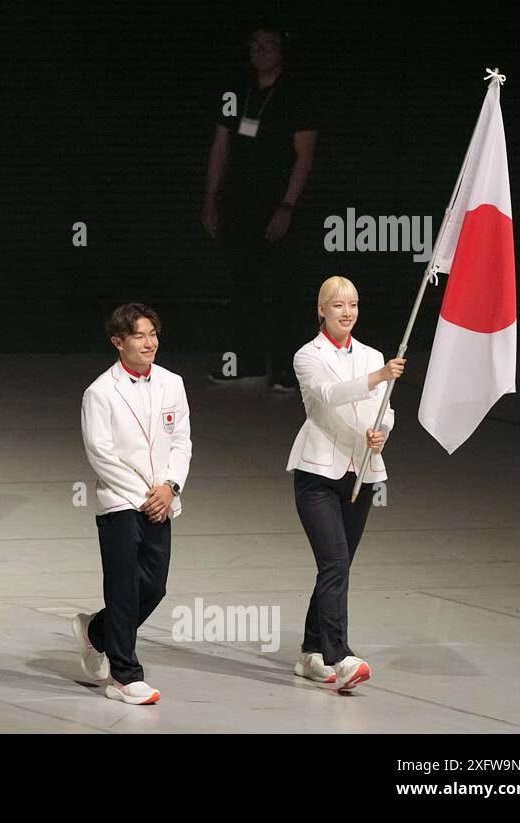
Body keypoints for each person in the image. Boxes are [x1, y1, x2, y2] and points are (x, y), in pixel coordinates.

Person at [287, 276, 405, 691]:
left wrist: (381, 431)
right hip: (318, 474)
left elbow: (385, 409)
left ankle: (311, 652)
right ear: (321, 309)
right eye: (337, 305)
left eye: (353, 304)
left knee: (336, 567)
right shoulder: (308, 356)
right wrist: (377, 377)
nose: (347, 312)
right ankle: (339, 656)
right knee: (334, 563)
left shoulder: (371, 354)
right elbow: (330, 394)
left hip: (363, 472)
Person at [75, 303, 192, 704]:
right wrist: (146, 497)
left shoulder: (171, 383)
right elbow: (101, 454)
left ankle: (97, 633)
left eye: (153, 334)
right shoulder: (100, 392)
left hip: (162, 498)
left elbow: (182, 442)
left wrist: (171, 487)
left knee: (154, 587)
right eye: (139, 335)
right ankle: (125, 675)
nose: (149, 342)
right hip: (121, 501)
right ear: (118, 342)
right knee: (123, 588)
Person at [202, 22, 318, 390]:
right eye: (254, 45)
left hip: (277, 204)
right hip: (239, 202)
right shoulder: (237, 93)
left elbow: (305, 154)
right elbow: (220, 146)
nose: (260, 51)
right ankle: (247, 363)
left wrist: (287, 206)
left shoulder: (296, 93)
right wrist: (210, 200)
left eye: (267, 45)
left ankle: (290, 369)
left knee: (284, 288)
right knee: (242, 285)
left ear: (282, 50)